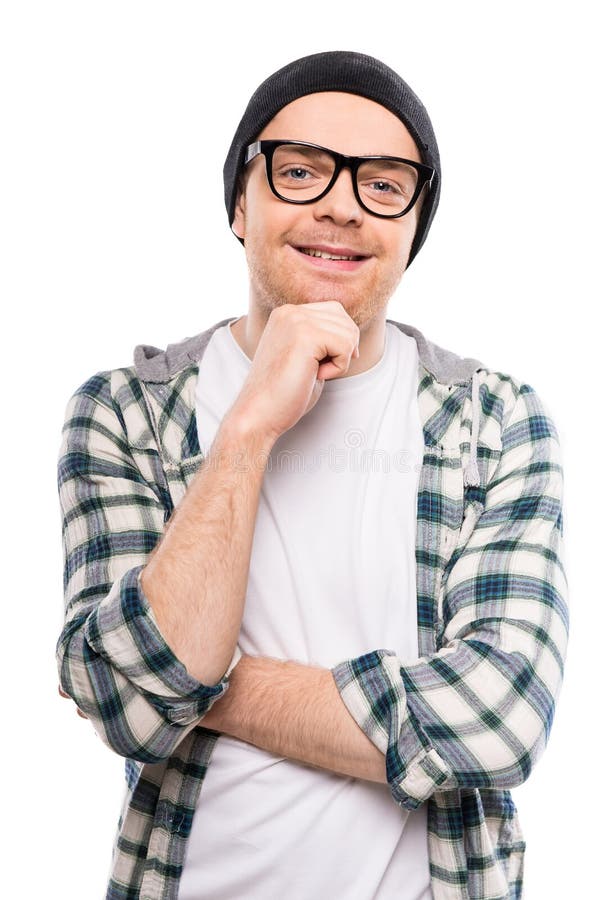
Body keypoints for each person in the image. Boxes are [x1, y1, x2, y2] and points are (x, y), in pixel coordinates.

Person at [56, 50, 568, 900]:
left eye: (383, 185)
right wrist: (248, 426)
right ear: (238, 204)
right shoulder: (124, 413)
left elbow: (497, 721)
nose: (339, 204)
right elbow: (128, 711)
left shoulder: (496, 421)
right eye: (298, 172)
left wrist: (194, 681)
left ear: (411, 227)